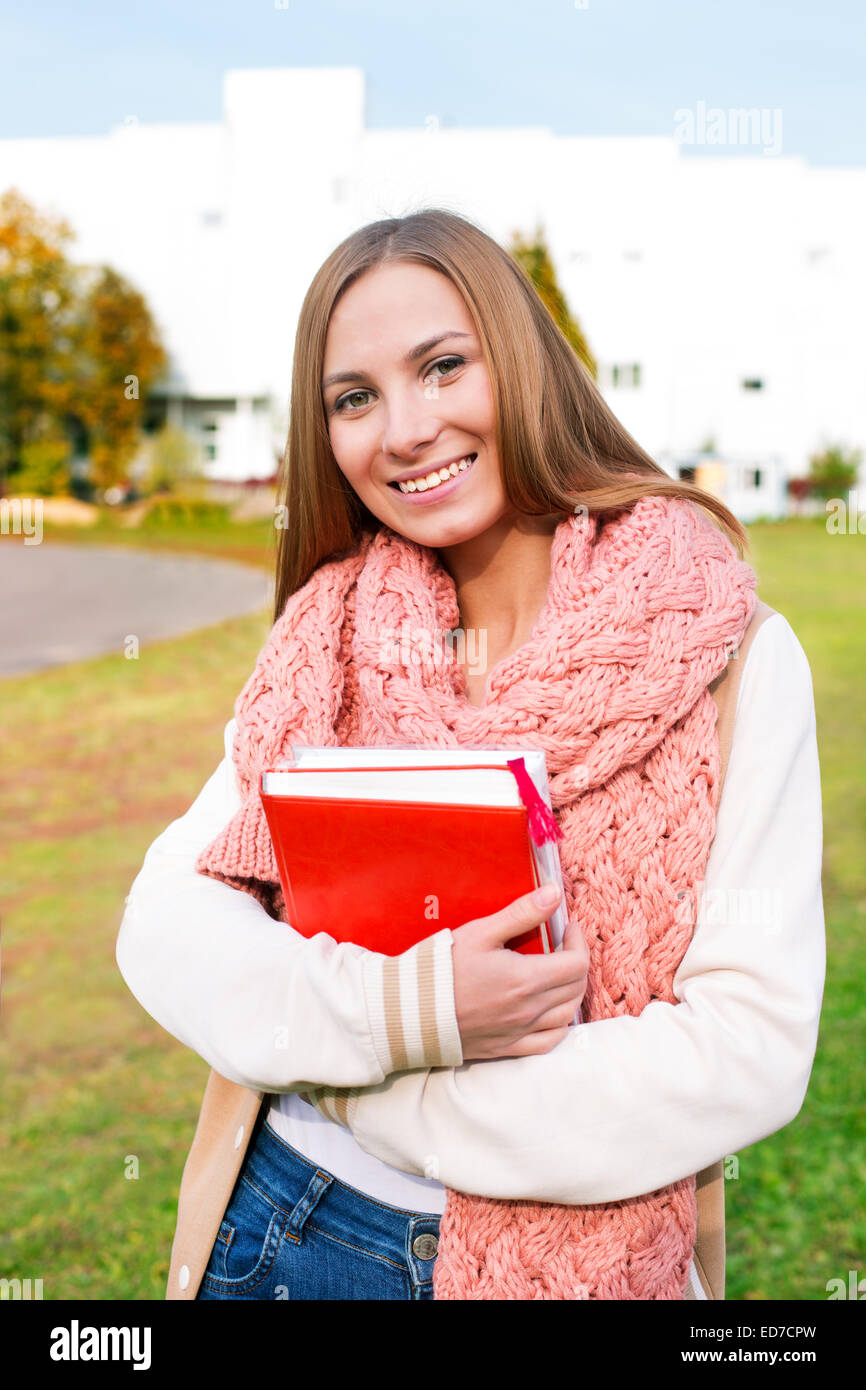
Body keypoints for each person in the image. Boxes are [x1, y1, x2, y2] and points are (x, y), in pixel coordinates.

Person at [116, 208, 825, 1301]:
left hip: (579, 1261)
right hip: (287, 1229)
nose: (402, 428)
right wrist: (408, 1014)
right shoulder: (333, 636)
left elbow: (743, 1049)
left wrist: (375, 1091)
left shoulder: (729, 654)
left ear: (523, 362)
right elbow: (169, 921)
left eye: (442, 366)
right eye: (353, 398)